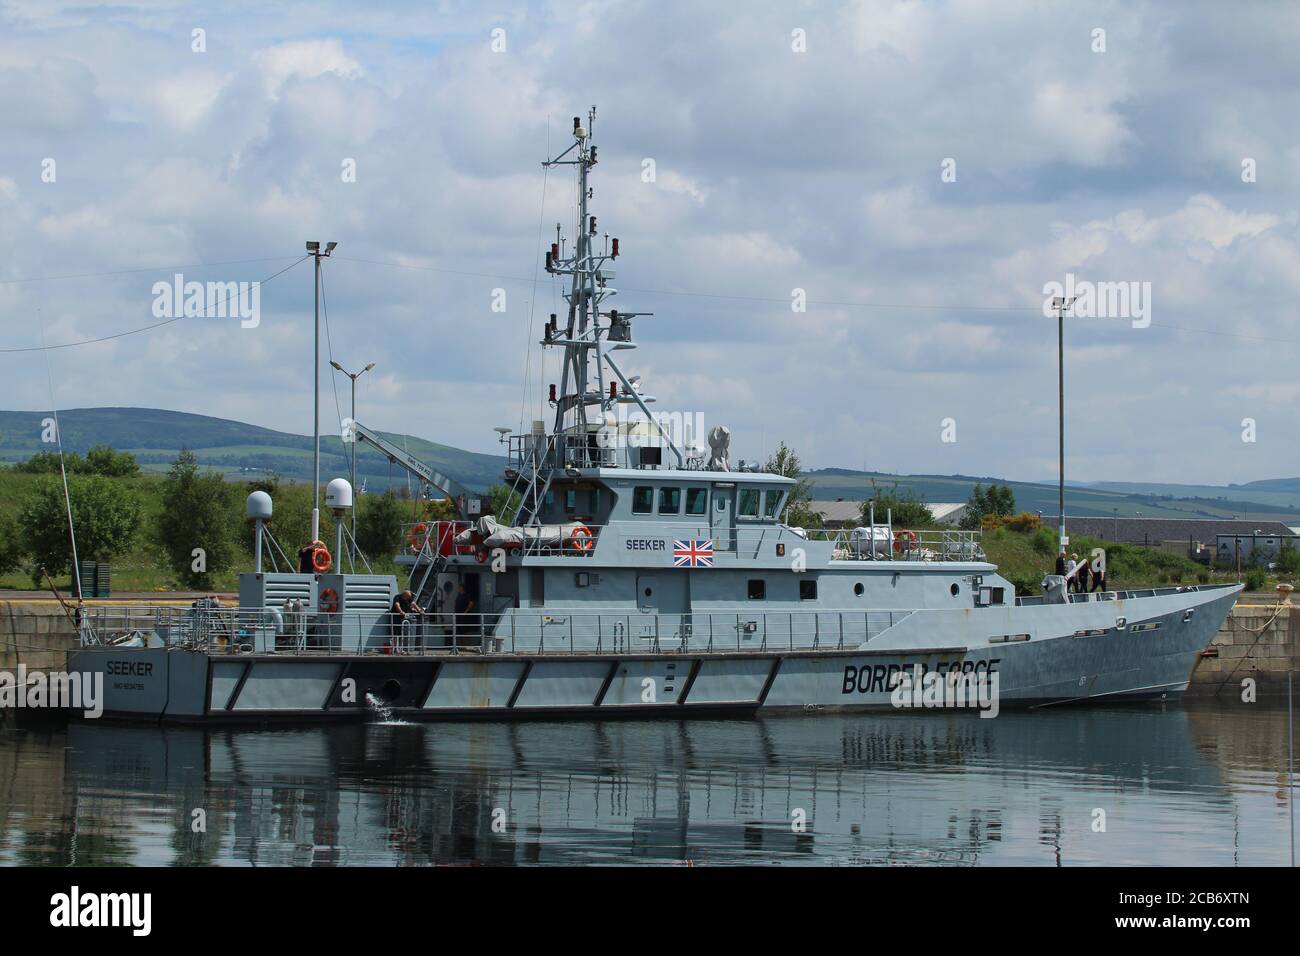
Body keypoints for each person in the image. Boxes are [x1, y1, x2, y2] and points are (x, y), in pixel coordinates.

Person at [453, 583, 477, 648]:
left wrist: (465, 612)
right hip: (458, 616)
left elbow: (471, 603)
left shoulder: (466, 595)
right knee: (459, 631)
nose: (458, 588)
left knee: (464, 631)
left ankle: (466, 646)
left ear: (462, 588)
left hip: (463, 617)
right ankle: (461, 646)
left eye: (459, 587)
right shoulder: (459, 595)